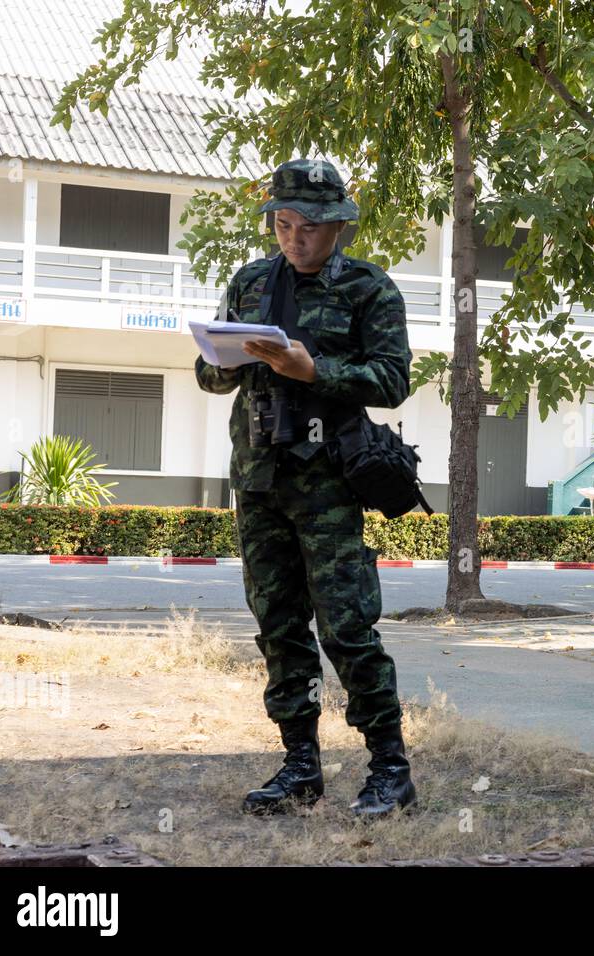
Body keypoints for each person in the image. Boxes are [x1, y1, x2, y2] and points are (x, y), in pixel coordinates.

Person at [195, 158, 417, 818]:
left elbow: (391, 380)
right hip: (258, 479)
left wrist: (311, 368)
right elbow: (210, 379)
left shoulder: (368, 290)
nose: (295, 239)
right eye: (284, 224)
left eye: (311, 227)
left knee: (347, 628)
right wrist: (222, 358)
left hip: (327, 483)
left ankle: (391, 770)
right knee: (279, 628)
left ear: (339, 228)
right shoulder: (252, 282)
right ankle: (299, 769)